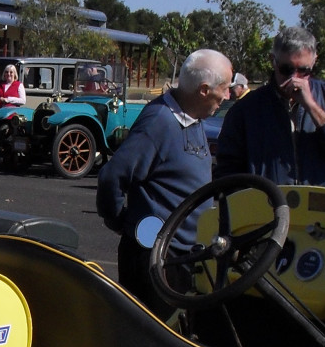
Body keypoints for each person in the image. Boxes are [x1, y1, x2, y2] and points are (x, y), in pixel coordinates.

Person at [97, 49, 233, 305]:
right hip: (158, 260)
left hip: (185, 256)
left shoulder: (194, 118)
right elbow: (112, 177)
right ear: (204, 90)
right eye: (224, 88)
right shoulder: (159, 121)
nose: (227, 96)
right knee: (152, 336)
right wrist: (121, 222)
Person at [213, 26, 325, 188]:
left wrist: (311, 106)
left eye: (303, 71)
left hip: (321, 207)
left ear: (314, 61)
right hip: (268, 207)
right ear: (273, 60)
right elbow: (227, 170)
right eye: (286, 70)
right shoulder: (246, 109)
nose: (294, 78)